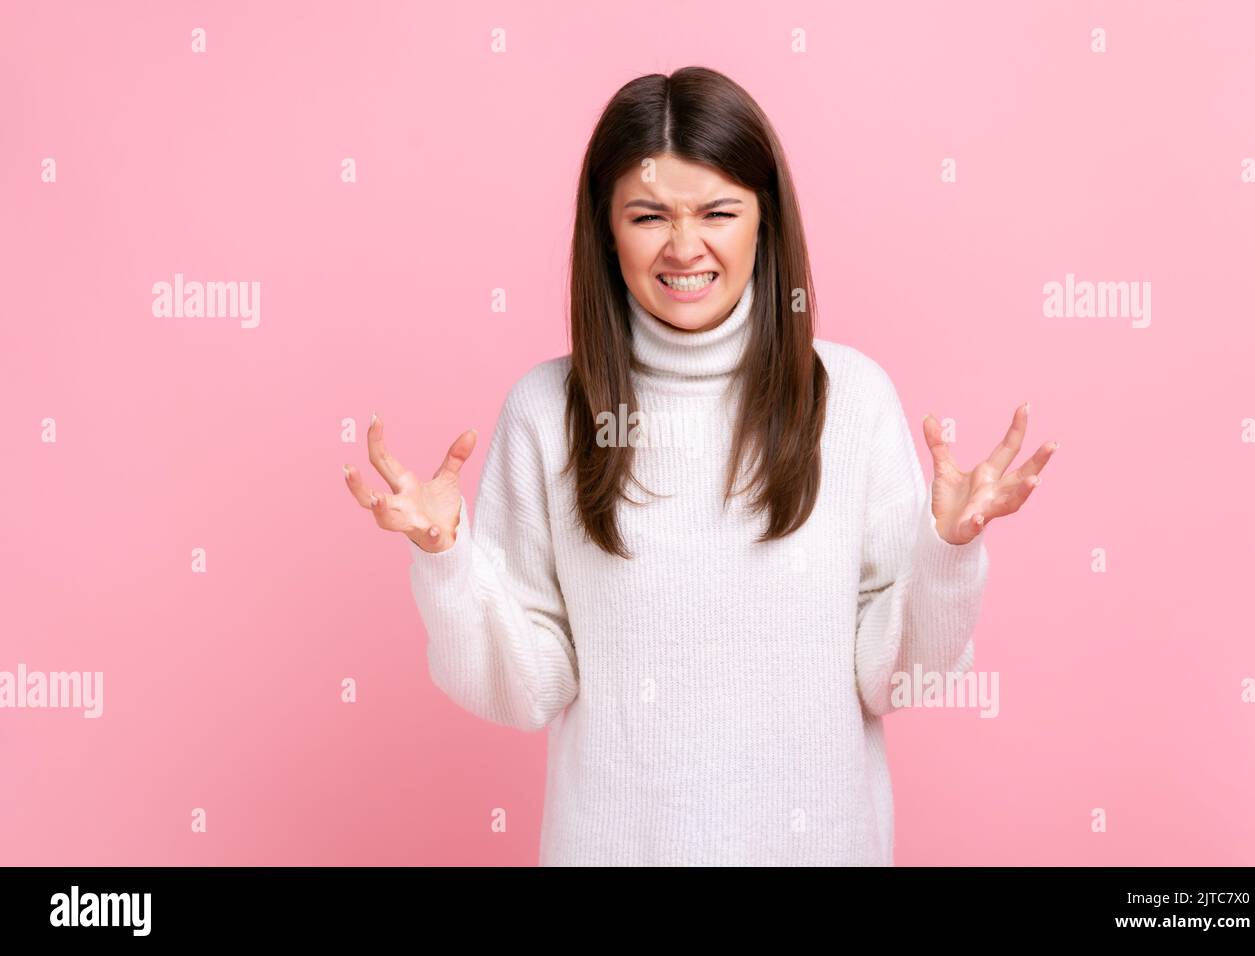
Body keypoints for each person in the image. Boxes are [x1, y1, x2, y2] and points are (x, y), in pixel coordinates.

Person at [343, 66, 1056, 866]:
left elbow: (893, 680)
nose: (685, 247)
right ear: (607, 232)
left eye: (718, 211)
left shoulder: (849, 399)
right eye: (649, 215)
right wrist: (446, 563)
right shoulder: (549, 411)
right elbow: (524, 688)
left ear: (765, 221)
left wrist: (949, 555)